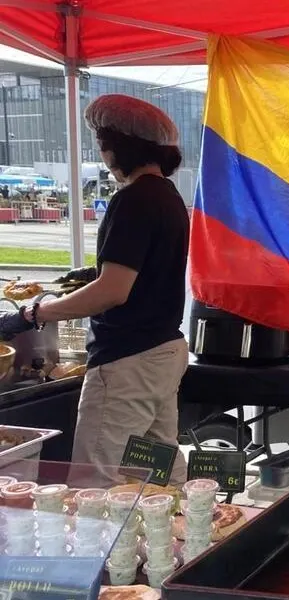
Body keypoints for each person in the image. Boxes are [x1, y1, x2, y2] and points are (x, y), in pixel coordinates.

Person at [0, 94, 191, 486]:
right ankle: (191, 536)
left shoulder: (133, 200)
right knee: (158, 468)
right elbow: (141, 273)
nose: (104, 157)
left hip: (127, 362)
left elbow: (113, 291)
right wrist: (93, 273)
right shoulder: (168, 197)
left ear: (120, 147)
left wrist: (34, 313)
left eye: (103, 146)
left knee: (97, 481)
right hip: (163, 353)